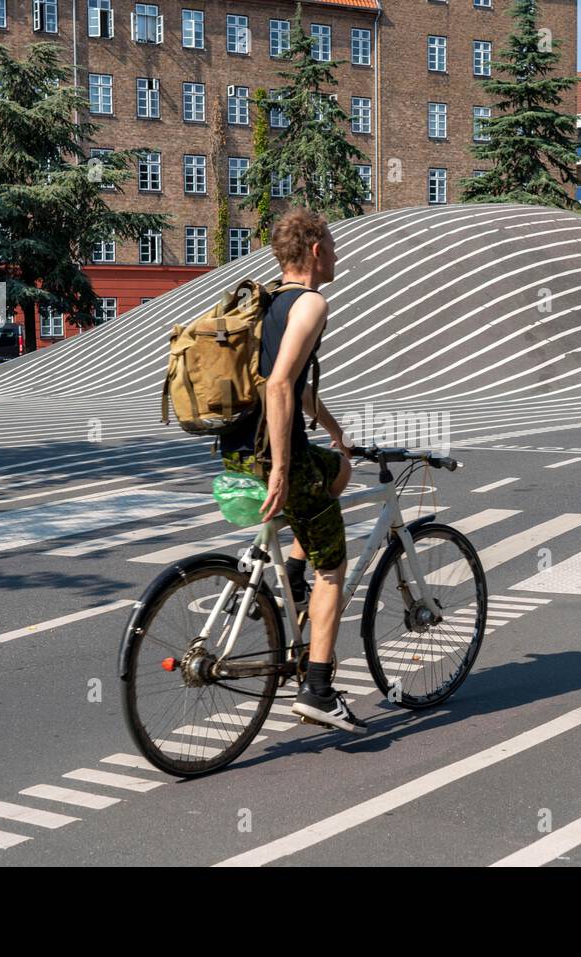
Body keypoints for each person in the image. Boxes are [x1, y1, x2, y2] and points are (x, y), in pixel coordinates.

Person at [218, 208, 366, 735]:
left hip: (233, 446)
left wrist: (335, 429)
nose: (336, 251)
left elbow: (294, 386)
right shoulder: (311, 303)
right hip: (270, 450)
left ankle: (290, 571)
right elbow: (279, 386)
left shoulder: (265, 303)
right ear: (317, 250)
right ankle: (320, 691)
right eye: (332, 241)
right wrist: (281, 466)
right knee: (336, 566)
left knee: (338, 468)